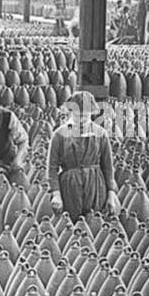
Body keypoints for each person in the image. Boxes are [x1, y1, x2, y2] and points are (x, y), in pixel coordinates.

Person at [48, 91, 119, 220]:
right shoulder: (59, 135)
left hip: (96, 187)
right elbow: (52, 168)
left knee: (95, 223)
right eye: (77, 115)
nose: (81, 120)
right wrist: (56, 194)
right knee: (71, 224)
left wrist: (111, 194)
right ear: (70, 113)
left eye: (85, 116)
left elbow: (108, 168)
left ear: (91, 114)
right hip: (69, 188)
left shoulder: (101, 134)